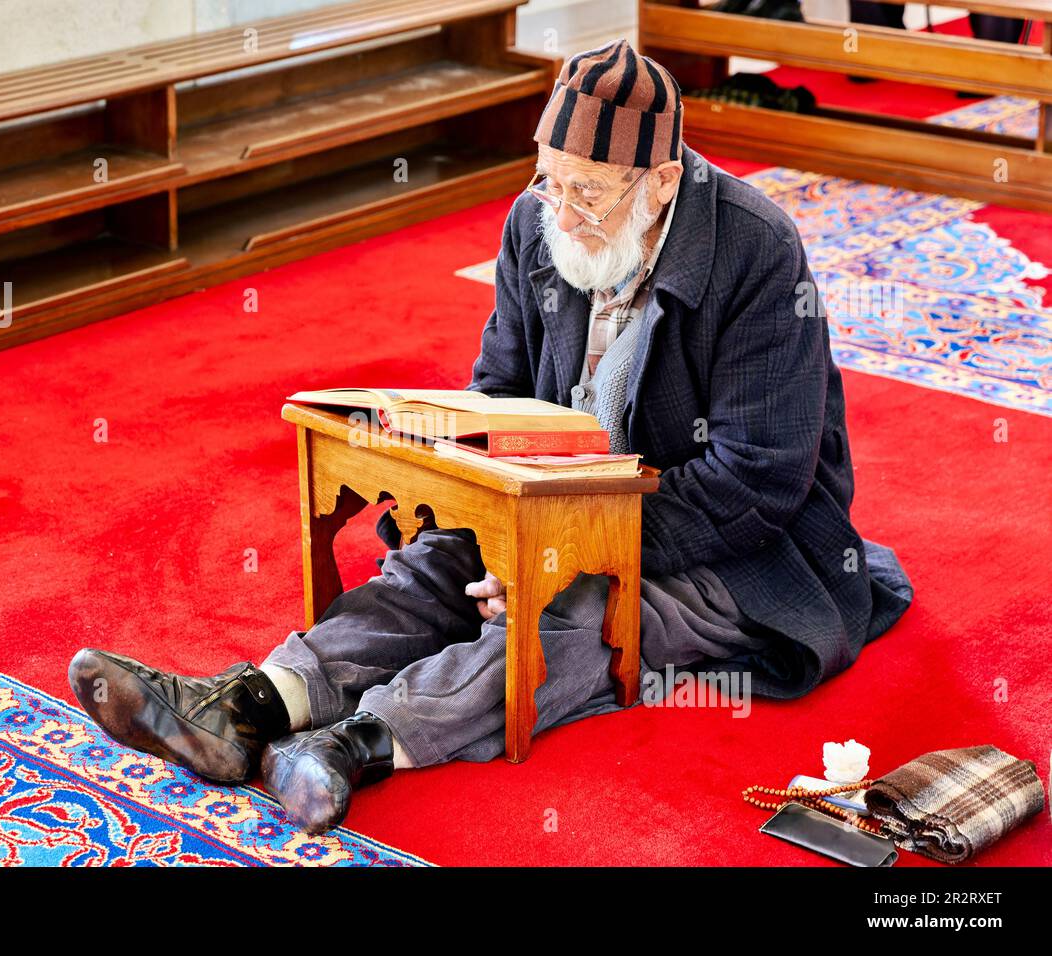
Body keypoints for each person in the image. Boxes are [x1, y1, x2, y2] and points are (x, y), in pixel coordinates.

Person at [68, 38, 914, 835]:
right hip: (548, 493)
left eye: (590, 191)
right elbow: (499, 393)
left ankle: (356, 745)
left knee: (586, 614)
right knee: (433, 566)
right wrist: (477, 512)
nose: (565, 212)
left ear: (661, 184)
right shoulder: (535, 221)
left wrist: (561, 554)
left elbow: (758, 477)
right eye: (552, 180)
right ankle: (247, 705)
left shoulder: (756, 250)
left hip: (727, 545)